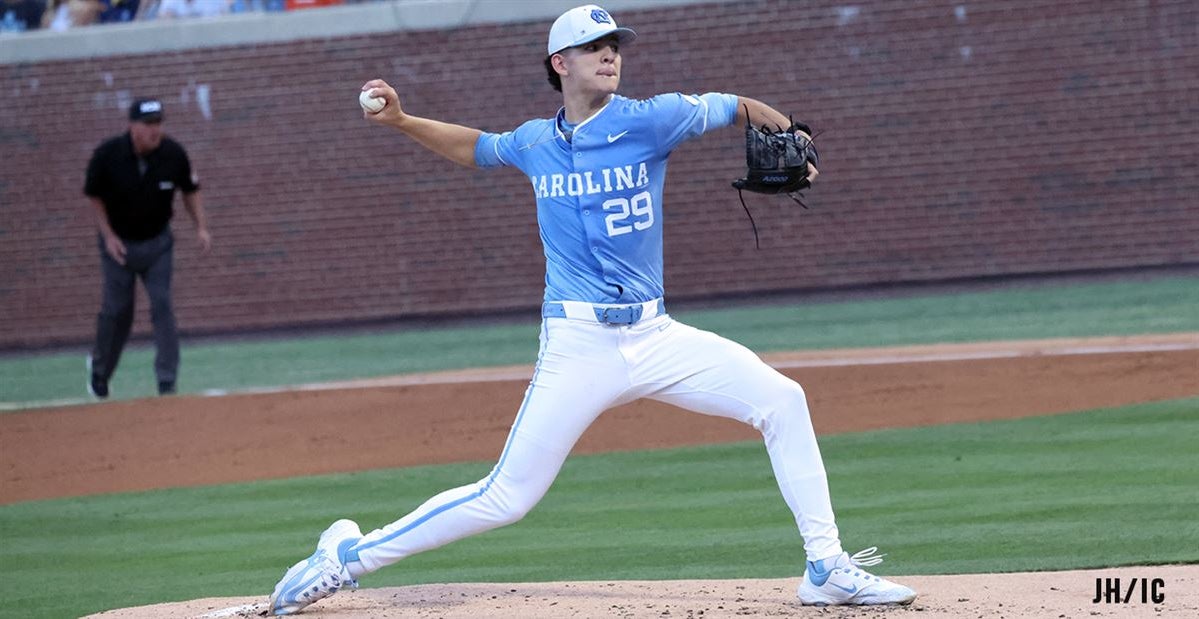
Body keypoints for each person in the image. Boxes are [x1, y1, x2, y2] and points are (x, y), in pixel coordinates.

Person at [268, 4, 916, 614]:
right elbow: (477, 147)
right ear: (560, 63)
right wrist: (405, 122)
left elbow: (740, 106)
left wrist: (794, 136)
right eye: (593, 47)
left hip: (656, 335)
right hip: (578, 345)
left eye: (614, 47)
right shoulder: (533, 142)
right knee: (506, 496)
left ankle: (825, 566)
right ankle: (346, 556)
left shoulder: (651, 118)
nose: (609, 56)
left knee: (781, 399)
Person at [84, 98, 211, 399]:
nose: (155, 131)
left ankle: (167, 382)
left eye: (159, 124)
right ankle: (100, 373)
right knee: (118, 312)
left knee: (162, 305)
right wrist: (108, 236)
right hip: (119, 247)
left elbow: (191, 191)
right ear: (132, 126)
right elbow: (94, 196)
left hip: (157, 244)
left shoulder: (173, 154)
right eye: (148, 124)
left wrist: (201, 227)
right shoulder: (107, 155)